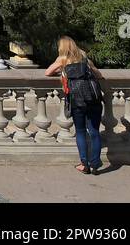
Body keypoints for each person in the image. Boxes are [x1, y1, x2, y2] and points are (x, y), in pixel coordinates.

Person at [45, 36, 107, 174]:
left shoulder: (62, 60)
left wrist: (61, 70)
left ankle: (84, 164)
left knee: (80, 131)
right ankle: (95, 165)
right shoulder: (84, 58)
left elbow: (47, 72)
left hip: (77, 101)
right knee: (94, 132)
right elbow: (98, 74)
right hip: (93, 99)